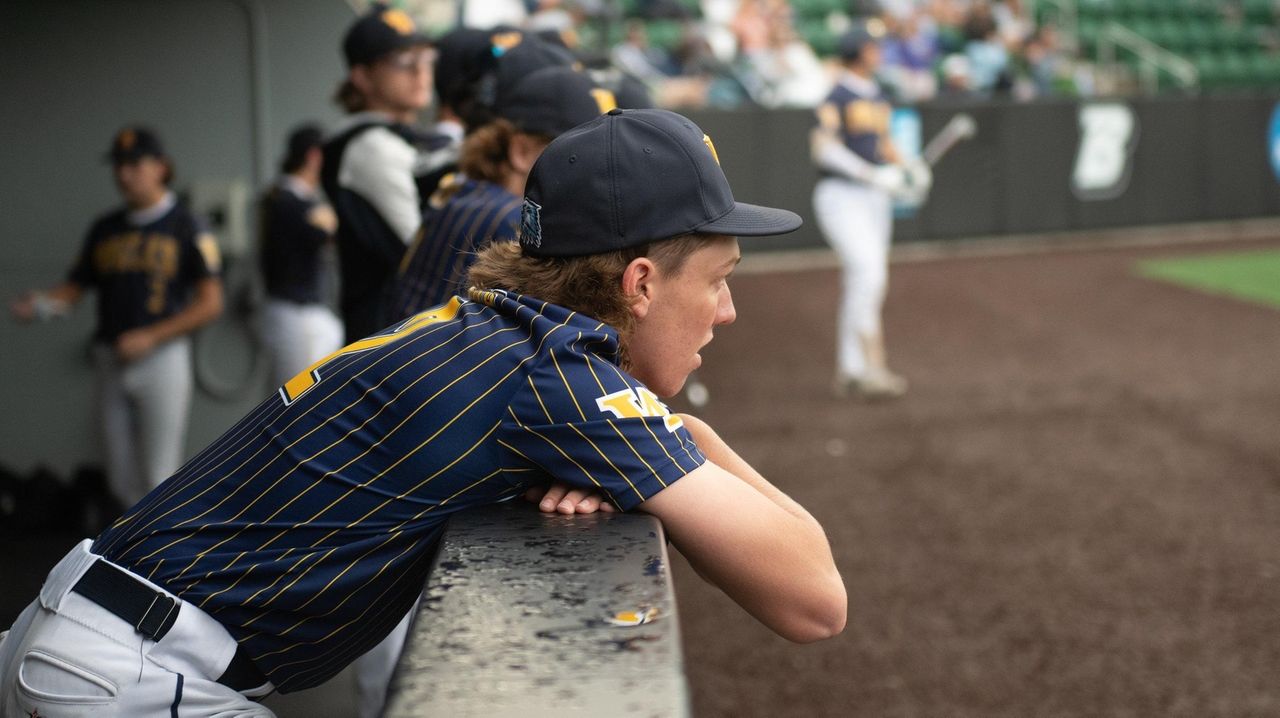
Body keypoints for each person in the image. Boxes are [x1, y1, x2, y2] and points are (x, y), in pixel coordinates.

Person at [0, 108, 846, 717]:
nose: (727, 310)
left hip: (86, 640)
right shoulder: (557, 373)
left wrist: (650, 449)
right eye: (720, 276)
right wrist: (688, 437)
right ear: (641, 283)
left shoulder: (496, 329)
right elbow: (815, 600)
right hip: (123, 679)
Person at [8, 126, 224, 507]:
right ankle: (126, 560)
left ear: (160, 166)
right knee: (120, 481)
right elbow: (72, 291)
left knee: (160, 478)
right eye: (119, 165)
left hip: (162, 358)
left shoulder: (186, 224)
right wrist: (39, 305)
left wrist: (152, 337)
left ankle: (158, 562)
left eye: (134, 163)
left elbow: (211, 303)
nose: (124, 174)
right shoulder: (105, 228)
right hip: (111, 359)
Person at [390, 65, 614, 321]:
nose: (593, 173)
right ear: (522, 151)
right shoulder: (514, 220)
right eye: (577, 157)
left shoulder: (468, 192)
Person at [323, 3, 449, 342]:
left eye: (426, 60)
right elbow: (423, 249)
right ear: (362, 77)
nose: (421, 73)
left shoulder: (401, 138)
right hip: (387, 333)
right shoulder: (369, 146)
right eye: (404, 62)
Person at [810, 26, 918, 399]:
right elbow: (823, 149)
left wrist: (908, 167)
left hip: (873, 197)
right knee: (867, 273)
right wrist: (869, 172)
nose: (880, 51)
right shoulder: (836, 94)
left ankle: (852, 369)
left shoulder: (877, 93)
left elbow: (884, 145)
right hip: (841, 194)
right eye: (873, 46)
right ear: (858, 50)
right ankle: (872, 366)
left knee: (869, 279)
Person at [257, 124, 344, 389]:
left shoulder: (281, 198)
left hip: (299, 311)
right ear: (314, 157)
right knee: (299, 402)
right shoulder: (289, 201)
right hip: (296, 313)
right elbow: (328, 231)